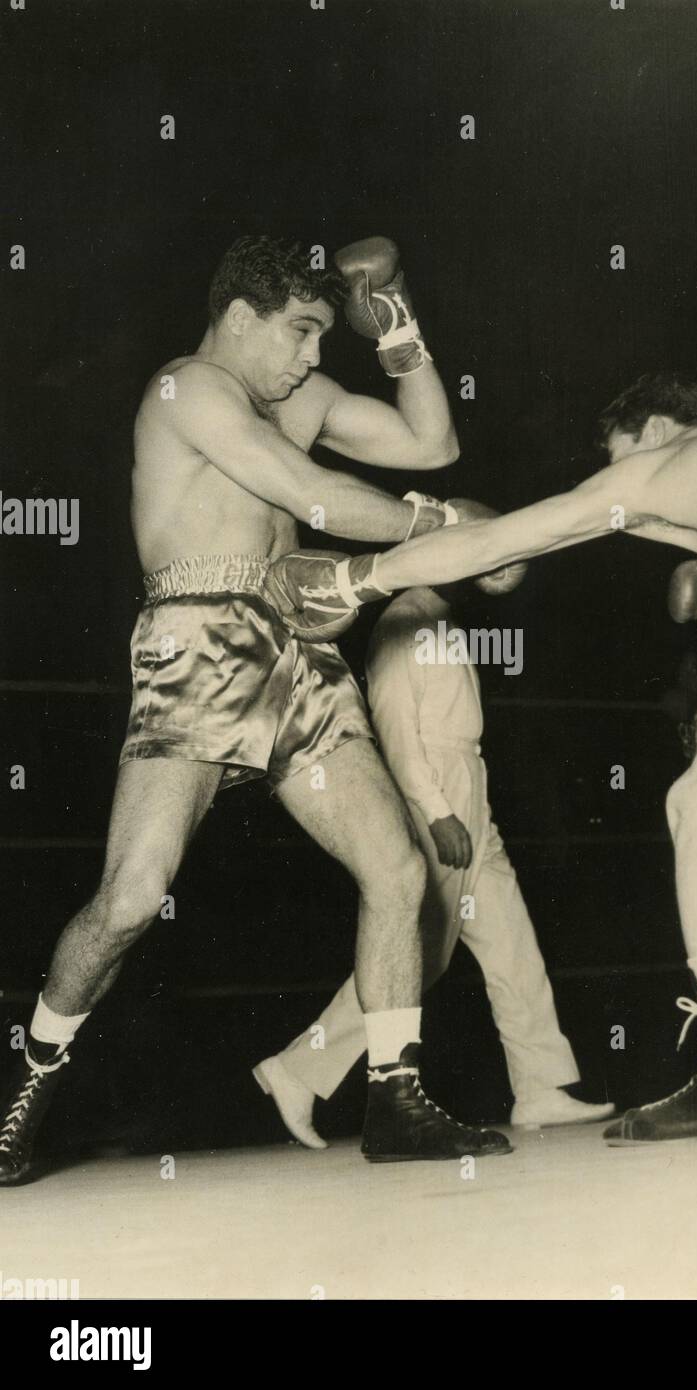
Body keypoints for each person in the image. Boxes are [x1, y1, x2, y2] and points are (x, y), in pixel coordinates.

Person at [267, 371, 697, 1142]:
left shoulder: (657, 466)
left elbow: (501, 539)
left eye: (616, 459)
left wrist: (357, 578)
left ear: (650, 431)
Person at [0, 235, 511, 1186]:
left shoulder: (300, 400)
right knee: (132, 895)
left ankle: (393, 1096)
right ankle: (26, 1082)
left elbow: (433, 444)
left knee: (396, 869)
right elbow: (317, 497)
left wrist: (395, 314)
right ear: (241, 317)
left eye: (324, 330)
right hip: (198, 638)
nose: (314, 354)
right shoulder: (186, 389)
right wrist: (453, 526)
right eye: (302, 331)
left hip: (298, 648)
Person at [254, 569, 613, 1143]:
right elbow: (396, 731)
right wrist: (437, 809)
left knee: (511, 944)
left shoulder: (441, 618)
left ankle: (542, 1084)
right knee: (418, 951)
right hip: (437, 796)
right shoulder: (405, 621)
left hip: (469, 787)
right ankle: (298, 1069)